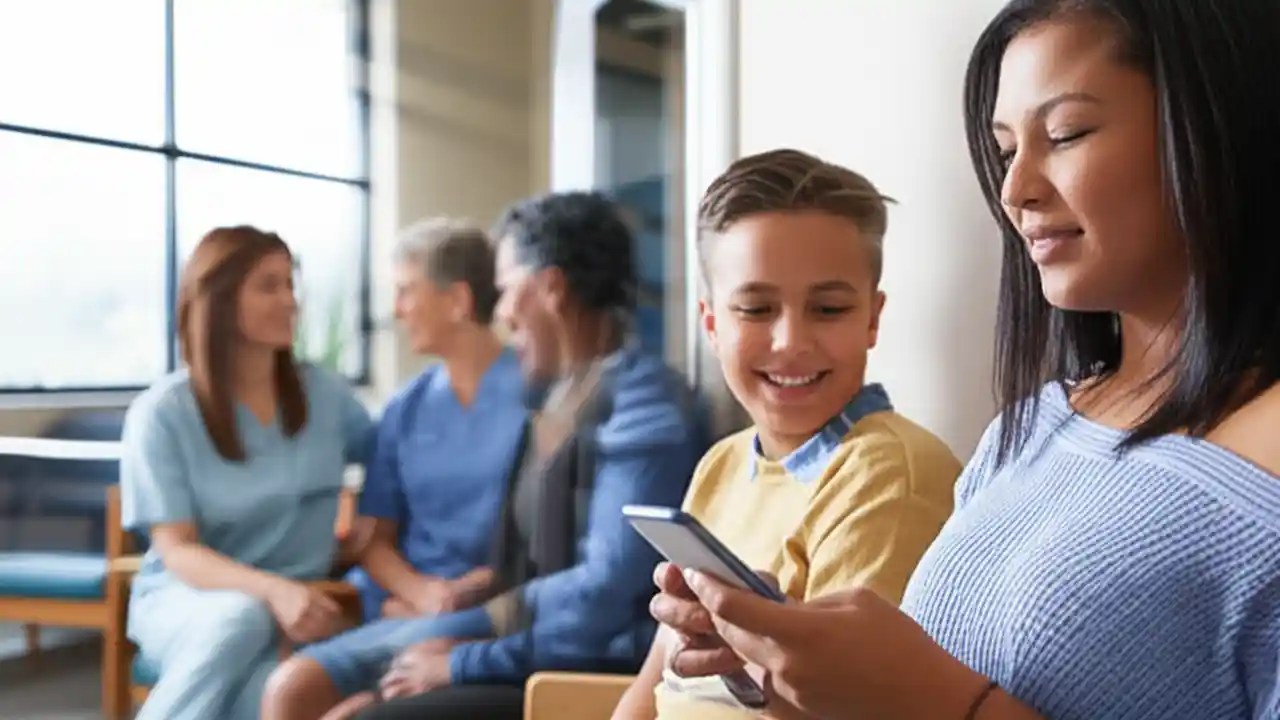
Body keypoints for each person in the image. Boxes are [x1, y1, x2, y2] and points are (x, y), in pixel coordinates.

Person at [648, 1, 1280, 718]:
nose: (1014, 191)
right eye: (1006, 151)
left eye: (1066, 134)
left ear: (1216, 129)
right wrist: (784, 671)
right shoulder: (1034, 426)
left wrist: (949, 705)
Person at [262, 191, 705, 720]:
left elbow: (603, 597)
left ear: (551, 288)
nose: (501, 310)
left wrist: (468, 661)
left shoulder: (643, 405)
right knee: (298, 686)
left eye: (507, 289)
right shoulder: (555, 397)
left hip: (585, 659)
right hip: (520, 628)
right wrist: (477, 597)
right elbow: (529, 561)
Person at [610, 149, 962, 720]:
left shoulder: (888, 475)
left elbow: (850, 706)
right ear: (711, 323)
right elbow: (651, 688)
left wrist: (743, 664)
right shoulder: (721, 465)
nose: (790, 341)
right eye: (755, 308)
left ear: (871, 320)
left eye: (827, 309)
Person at [121, 226, 373, 720]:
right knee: (241, 615)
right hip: (189, 604)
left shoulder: (328, 399)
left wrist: (376, 534)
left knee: (270, 696)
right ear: (218, 299)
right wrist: (273, 591)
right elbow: (177, 549)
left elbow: (398, 468)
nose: (290, 301)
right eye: (268, 285)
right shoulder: (162, 413)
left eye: (290, 285)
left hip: (301, 609)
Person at [342, 218, 526, 624]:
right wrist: (422, 596)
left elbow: (549, 538)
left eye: (407, 290)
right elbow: (374, 542)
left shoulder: (538, 395)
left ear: (458, 301)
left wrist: (462, 598)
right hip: (406, 605)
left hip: (500, 606)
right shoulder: (404, 408)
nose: (397, 309)